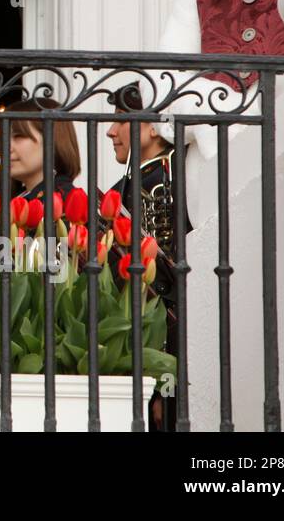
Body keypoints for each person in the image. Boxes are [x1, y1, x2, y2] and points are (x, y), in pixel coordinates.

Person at [105, 83, 186, 431]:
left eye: (121, 120)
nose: (110, 131)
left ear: (154, 126)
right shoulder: (129, 182)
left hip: (170, 338)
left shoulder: (171, 175)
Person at [5, 98, 81, 202]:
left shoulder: (68, 201)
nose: (7, 147)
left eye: (19, 136)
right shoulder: (18, 198)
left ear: (52, 139)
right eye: (4, 137)